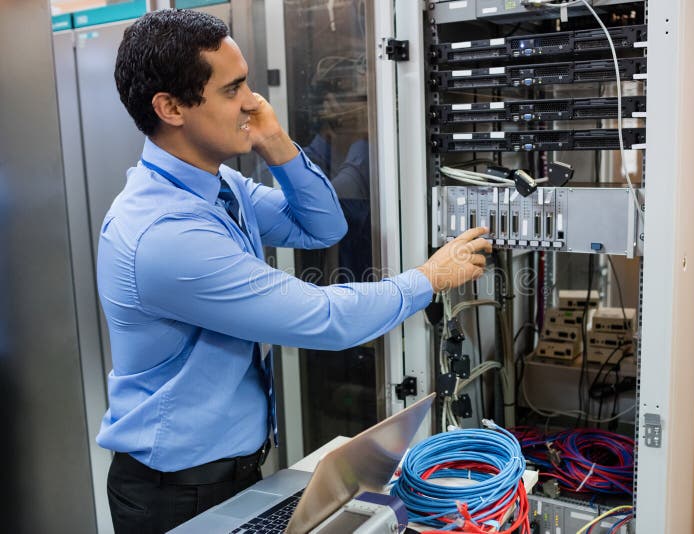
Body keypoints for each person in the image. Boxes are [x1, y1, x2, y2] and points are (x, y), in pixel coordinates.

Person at [96, 9, 490, 533]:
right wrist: (430, 278)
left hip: (232, 472)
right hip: (173, 495)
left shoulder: (220, 186)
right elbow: (323, 318)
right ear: (170, 107)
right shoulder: (165, 234)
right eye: (233, 89)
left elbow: (322, 227)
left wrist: (275, 142)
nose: (252, 103)